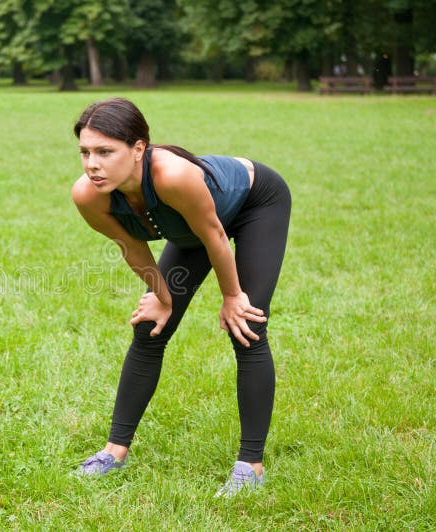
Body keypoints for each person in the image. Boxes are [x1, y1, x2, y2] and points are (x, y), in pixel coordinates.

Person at [70, 98, 291, 496]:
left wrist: (232, 296)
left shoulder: (172, 176)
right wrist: (161, 297)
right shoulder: (89, 195)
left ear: (138, 149)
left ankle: (250, 466)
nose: (92, 164)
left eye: (105, 152)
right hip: (192, 226)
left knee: (248, 326)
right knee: (151, 328)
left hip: (255, 204)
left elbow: (215, 237)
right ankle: (113, 452)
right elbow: (132, 246)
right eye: (85, 152)